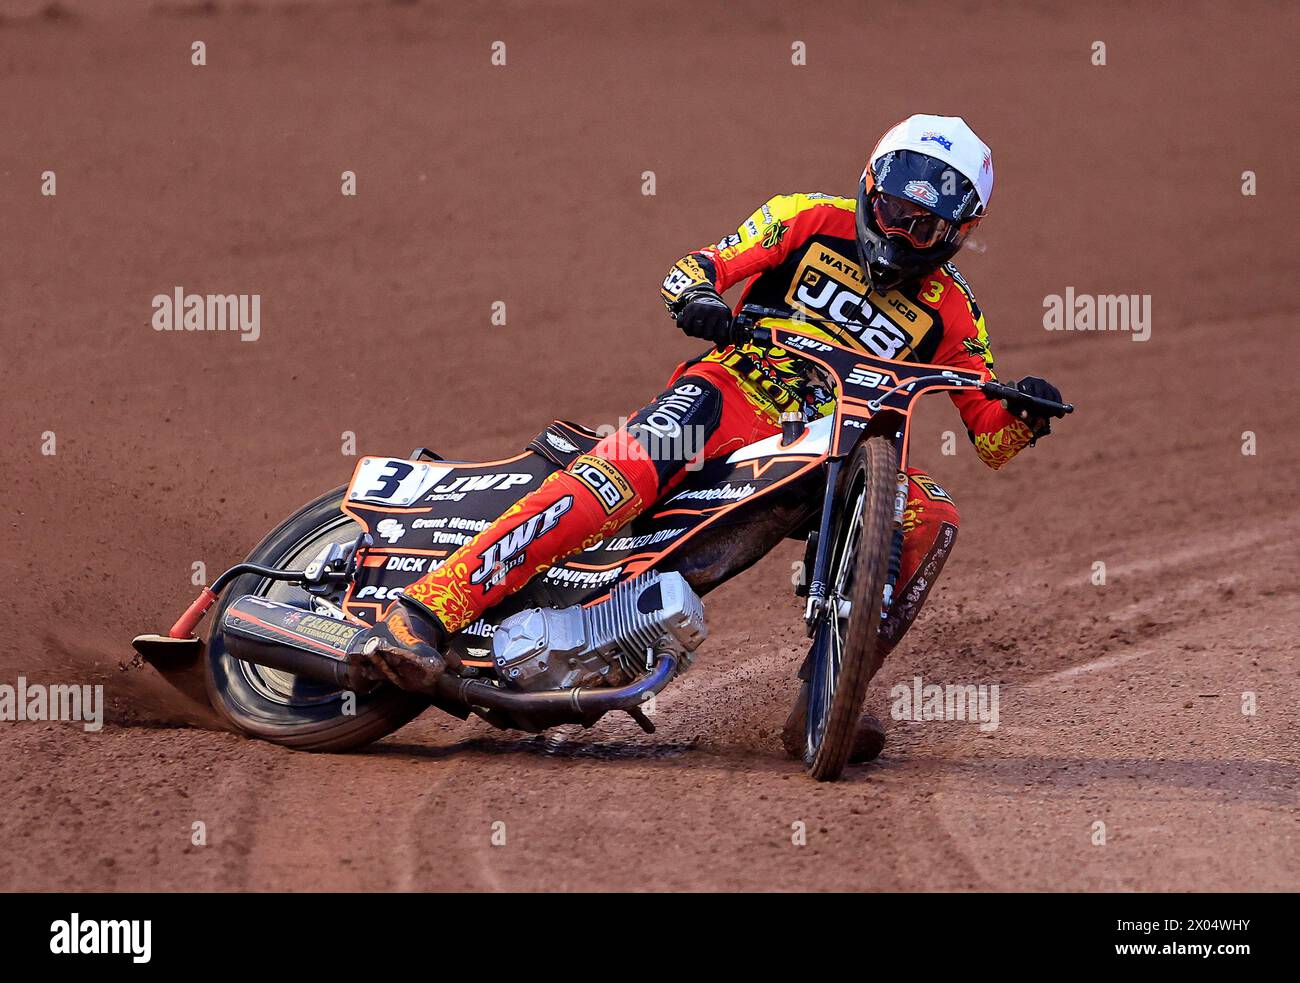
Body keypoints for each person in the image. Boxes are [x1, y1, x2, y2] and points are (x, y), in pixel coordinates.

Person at [352, 114, 1065, 761]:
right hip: (727, 396)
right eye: (896, 212)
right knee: (617, 478)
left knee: (931, 515)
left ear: (961, 231)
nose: (906, 233)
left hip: (840, 457)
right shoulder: (807, 218)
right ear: (868, 187)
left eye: (928, 226)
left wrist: (1025, 414)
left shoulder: (955, 312)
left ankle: (827, 695)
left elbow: (991, 439)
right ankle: (422, 610)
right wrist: (698, 300)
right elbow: (695, 268)